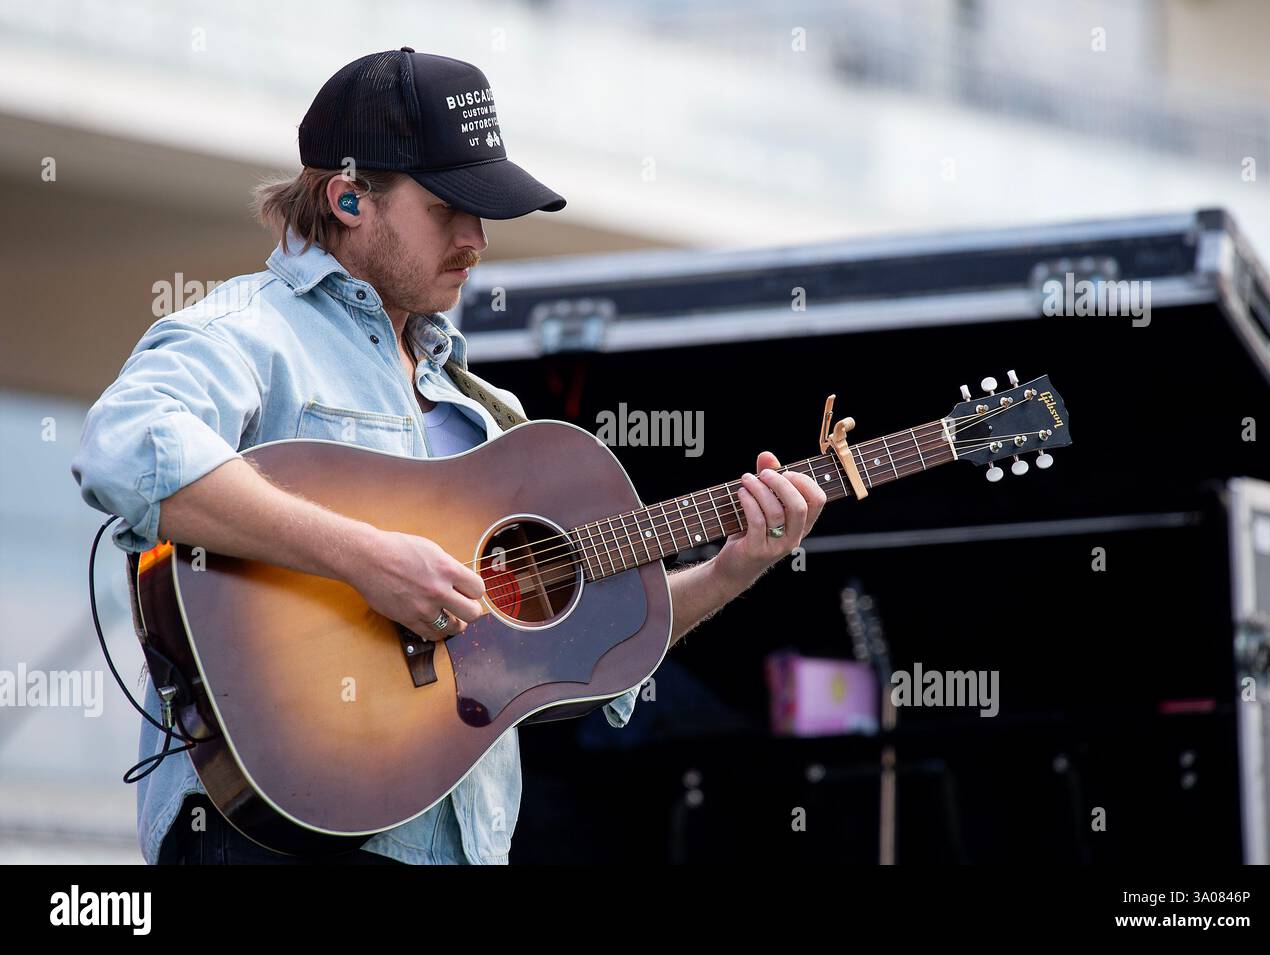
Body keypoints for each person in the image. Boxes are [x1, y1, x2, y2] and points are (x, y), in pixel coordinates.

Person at [71, 48, 826, 865]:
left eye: (482, 212)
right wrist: (367, 559)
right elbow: (126, 446)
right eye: (447, 209)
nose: (476, 239)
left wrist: (732, 568)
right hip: (277, 836)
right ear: (349, 196)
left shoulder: (488, 413)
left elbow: (579, 643)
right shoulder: (249, 333)